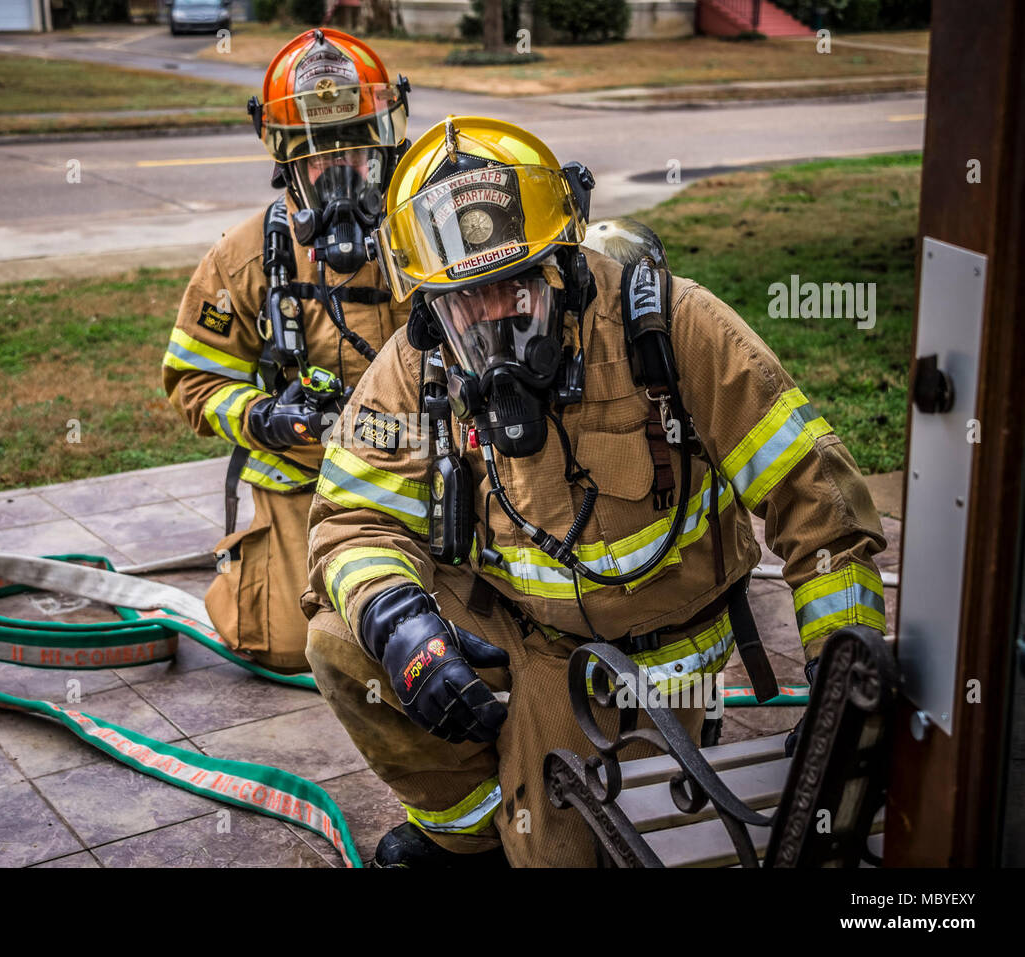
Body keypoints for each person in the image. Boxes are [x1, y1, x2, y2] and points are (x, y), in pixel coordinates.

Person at [303, 116, 888, 866]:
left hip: (660, 652)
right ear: (428, 304)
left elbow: (820, 505)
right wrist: (403, 626)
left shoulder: (675, 330)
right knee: (343, 638)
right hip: (526, 634)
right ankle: (467, 839)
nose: (492, 319)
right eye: (463, 302)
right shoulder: (420, 362)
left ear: (565, 263)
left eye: (516, 284)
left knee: (575, 856)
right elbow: (354, 517)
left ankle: (577, 779)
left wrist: (840, 683)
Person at [162, 29, 411, 673]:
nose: (340, 175)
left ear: (388, 149)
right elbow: (194, 379)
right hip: (303, 481)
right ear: (287, 166)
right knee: (285, 648)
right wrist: (262, 418)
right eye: (319, 157)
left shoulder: (431, 238)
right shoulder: (247, 257)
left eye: (356, 153)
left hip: (427, 476)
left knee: (447, 642)